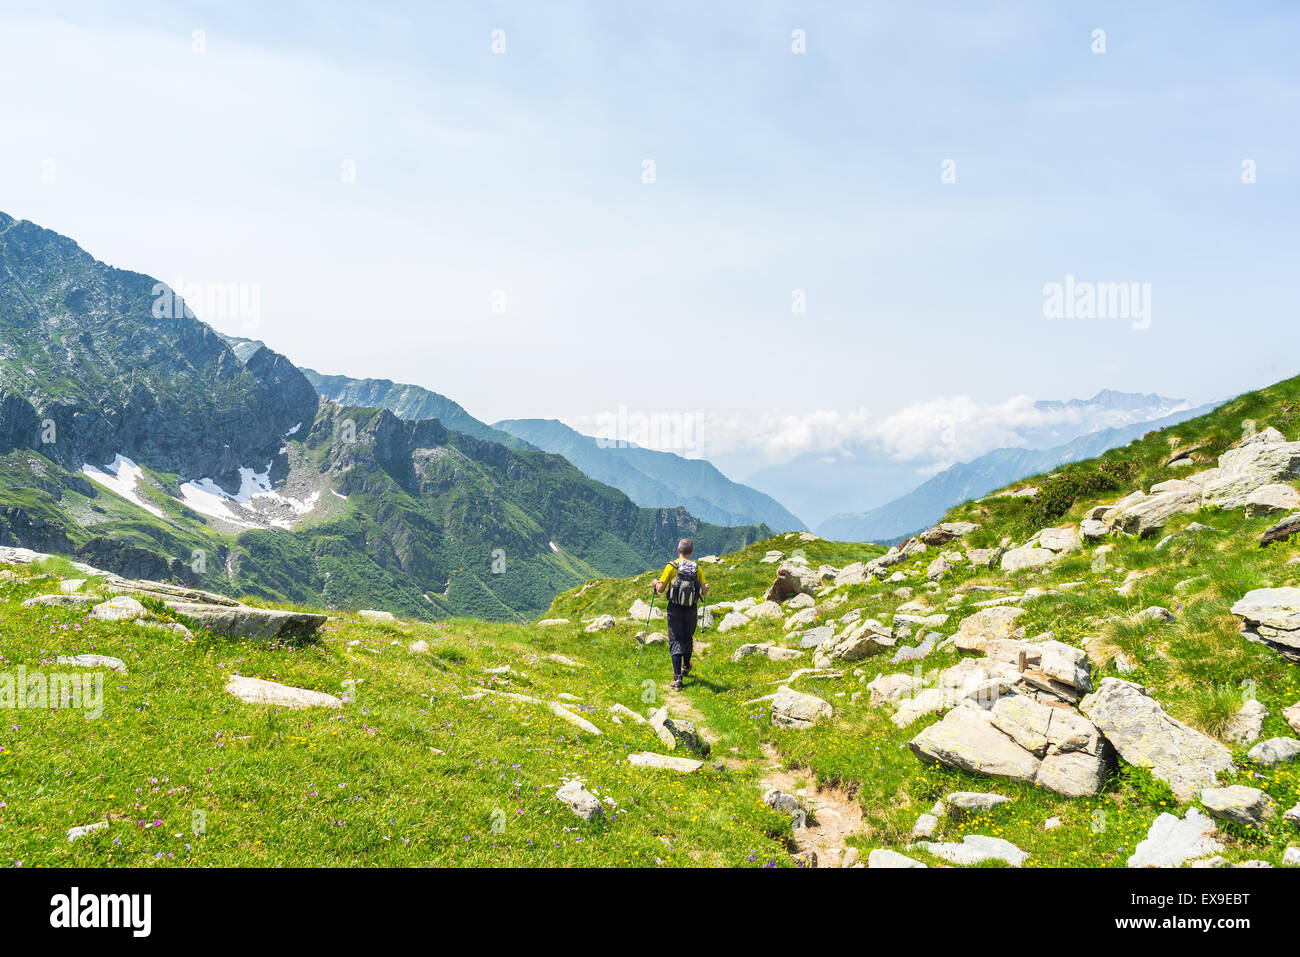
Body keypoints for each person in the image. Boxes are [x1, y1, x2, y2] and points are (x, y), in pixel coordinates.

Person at [653, 538, 710, 690]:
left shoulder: (671, 566)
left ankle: (677, 679)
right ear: (691, 552)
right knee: (687, 637)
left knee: (675, 639)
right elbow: (704, 591)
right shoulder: (697, 568)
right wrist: (707, 588)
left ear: (678, 551)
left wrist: (655, 583)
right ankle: (686, 665)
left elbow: (660, 589)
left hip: (675, 608)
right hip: (691, 608)